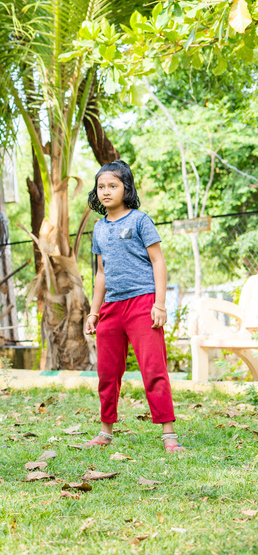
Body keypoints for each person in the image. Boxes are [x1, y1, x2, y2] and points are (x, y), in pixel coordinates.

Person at [84, 160, 184, 453]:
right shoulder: (99, 228)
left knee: (153, 369)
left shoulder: (140, 220)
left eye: (112, 186)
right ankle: (105, 432)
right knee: (107, 373)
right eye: (101, 186)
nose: (106, 191)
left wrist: (160, 304)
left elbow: (158, 261)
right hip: (111, 308)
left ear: (126, 189)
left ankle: (169, 435)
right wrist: (94, 312)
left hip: (143, 303)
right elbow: (101, 274)